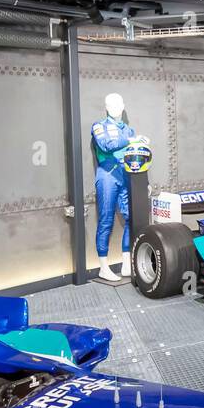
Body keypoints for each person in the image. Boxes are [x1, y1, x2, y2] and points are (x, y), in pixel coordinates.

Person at [91, 93, 138, 280]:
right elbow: (106, 145)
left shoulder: (129, 130)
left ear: (123, 105)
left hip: (126, 174)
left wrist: (145, 183)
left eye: (119, 103)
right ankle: (104, 267)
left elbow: (137, 156)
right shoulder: (99, 126)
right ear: (106, 107)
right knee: (105, 220)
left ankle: (127, 263)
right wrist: (131, 141)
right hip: (107, 175)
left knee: (131, 218)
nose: (116, 107)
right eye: (112, 104)